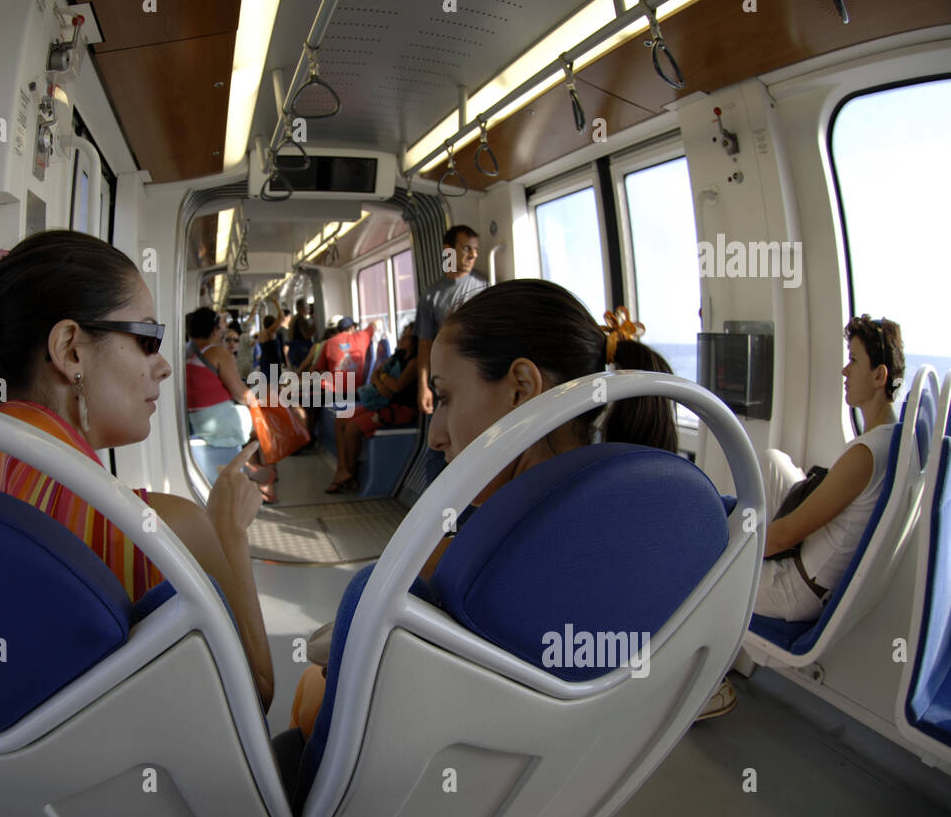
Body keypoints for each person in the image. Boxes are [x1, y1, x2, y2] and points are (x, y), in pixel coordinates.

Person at [285, 280, 676, 753]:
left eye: (445, 398)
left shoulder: (474, 562)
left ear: (521, 389)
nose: (436, 437)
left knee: (310, 684)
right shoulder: (663, 526)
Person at [0, 231, 273, 709]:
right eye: (146, 339)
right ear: (71, 350)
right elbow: (254, 694)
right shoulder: (162, 532)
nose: (163, 367)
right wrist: (227, 532)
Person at [699, 314, 905, 720]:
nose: (845, 371)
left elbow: (782, 537)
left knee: (698, 572)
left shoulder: (864, 456)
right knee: (773, 461)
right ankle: (727, 522)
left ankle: (706, 687)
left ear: (879, 376)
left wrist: (718, 546)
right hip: (807, 559)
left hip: (795, 589)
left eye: (855, 362)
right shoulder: (891, 439)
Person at [185, 307, 278, 503]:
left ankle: (250, 470)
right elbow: (240, 393)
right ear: (214, 330)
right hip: (219, 421)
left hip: (197, 419)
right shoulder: (217, 353)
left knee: (253, 424)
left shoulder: (186, 351)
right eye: (220, 327)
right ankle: (262, 477)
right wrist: (263, 401)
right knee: (264, 425)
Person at [325, 322, 418, 493]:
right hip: (382, 401)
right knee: (340, 420)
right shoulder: (398, 356)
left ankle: (349, 475)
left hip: (399, 410)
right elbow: (377, 374)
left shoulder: (414, 362)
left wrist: (383, 381)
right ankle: (342, 469)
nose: (402, 338)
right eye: (403, 334)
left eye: (407, 336)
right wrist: (383, 382)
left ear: (415, 339)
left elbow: (397, 387)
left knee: (352, 428)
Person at [416, 225, 486, 418]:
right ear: (448, 251)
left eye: (475, 249)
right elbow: (425, 345)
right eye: (466, 248)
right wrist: (423, 387)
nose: (473, 255)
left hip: (478, 379)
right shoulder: (431, 296)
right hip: (445, 381)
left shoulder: (485, 287)